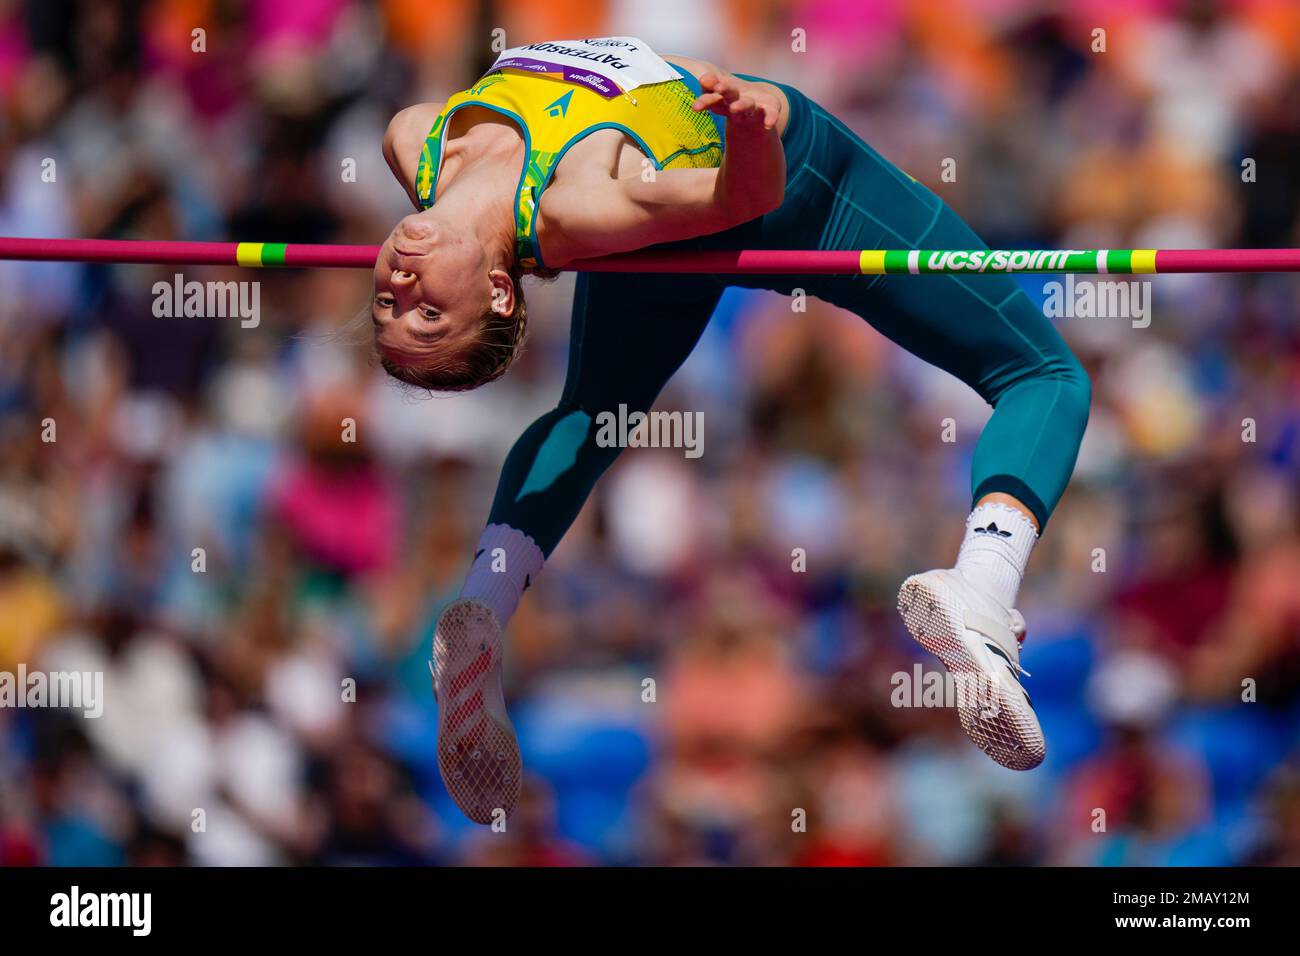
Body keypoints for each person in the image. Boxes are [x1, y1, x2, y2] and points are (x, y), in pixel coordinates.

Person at [373, 37, 1090, 824]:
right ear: (500, 292)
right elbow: (740, 198)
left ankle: (482, 608)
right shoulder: (576, 205)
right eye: (430, 313)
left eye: (389, 308)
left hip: (665, 232)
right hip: (782, 185)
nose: (401, 285)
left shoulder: (415, 143)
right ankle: (982, 586)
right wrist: (751, 129)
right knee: (1044, 375)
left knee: (592, 415)